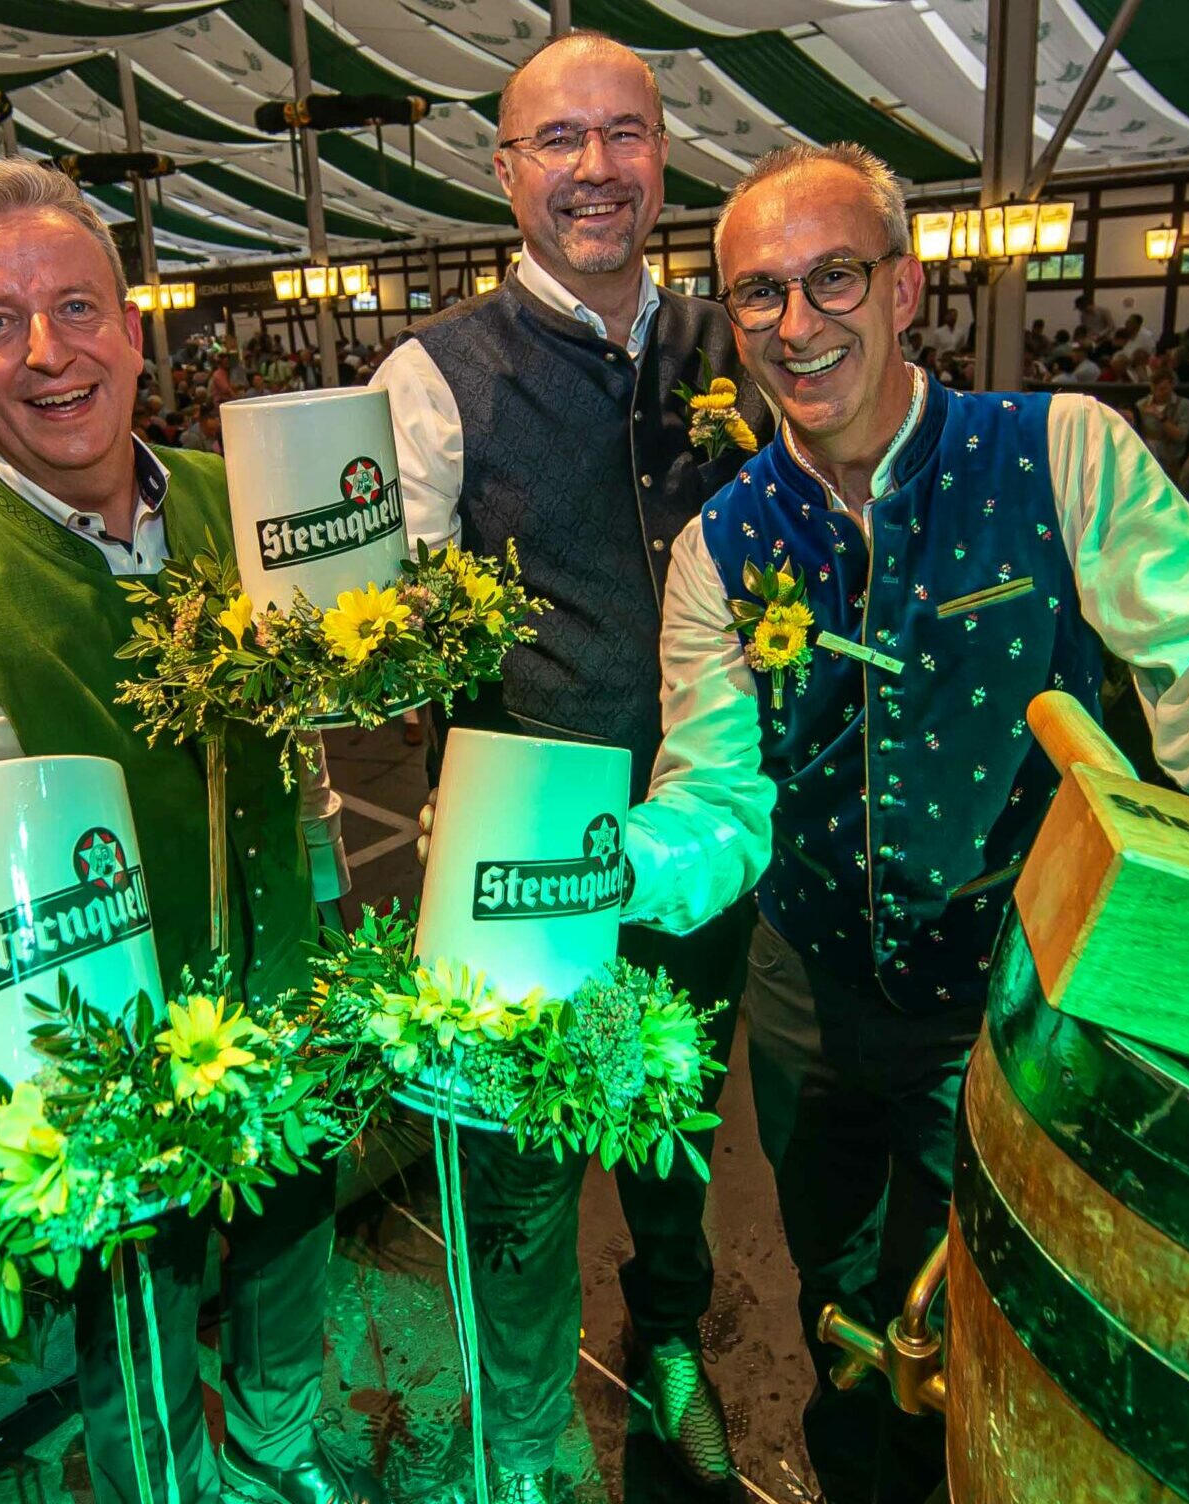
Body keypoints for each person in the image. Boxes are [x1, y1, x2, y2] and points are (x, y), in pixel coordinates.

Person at [616, 142, 1189, 1504]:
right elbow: (721, 795)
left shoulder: (1058, 451)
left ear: (904, 288)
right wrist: (603, 868)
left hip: (1016, 1000)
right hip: (811, 1002)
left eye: (833, 278)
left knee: (996, 1311)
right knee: (835, 1290)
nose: (798, 325)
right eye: (760, 294)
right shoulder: (717, 544)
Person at [0, 159, 377, 1504]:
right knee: (135, 1318)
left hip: (283, 993)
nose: (49, 354)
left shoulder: (237, 498)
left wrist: (323, 913)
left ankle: (275, 1447)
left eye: (77, 307)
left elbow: (307, 743)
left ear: (134, 326)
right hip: (109, 1057)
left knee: (291, 1256)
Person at [361, 32, 762, 1504]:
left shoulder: (733, 344)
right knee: (520, 1170)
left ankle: (669, 1353)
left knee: (679, 1124)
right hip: (519, 849)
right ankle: (521, 1436)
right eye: (559, 141)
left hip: (703, 825)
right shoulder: (434, 373)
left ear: (663, 156)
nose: (595, 169)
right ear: (506, 170)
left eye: (625, 134)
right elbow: (379, 625)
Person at [1133, 370, 1189, 472]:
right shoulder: (1141, 405)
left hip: (1171, 463)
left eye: (1163, 389)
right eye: (1155, 389)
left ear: (1172, 385)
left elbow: (1181, 437)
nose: (1158, 393)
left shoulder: (1185, 405)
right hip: (1147, 462)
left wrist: (1160, 417)